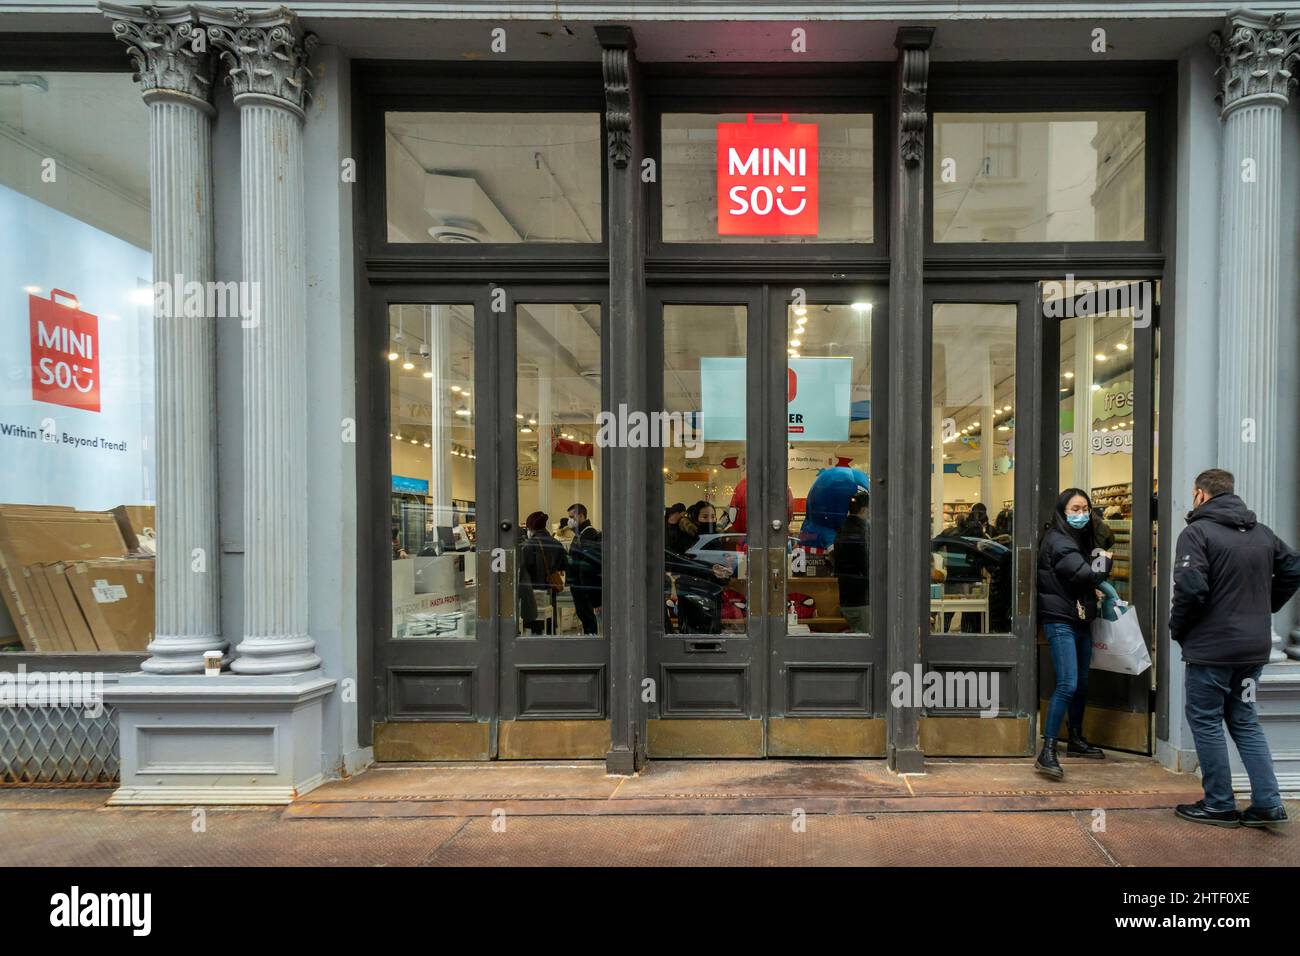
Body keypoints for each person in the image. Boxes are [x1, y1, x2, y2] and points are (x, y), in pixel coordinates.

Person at [1170, 468, 1300, 828]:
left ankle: (1218, 804)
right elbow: (1293, 567)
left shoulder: (1196, 533)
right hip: (1252, 650)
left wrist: (1179, 628)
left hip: (1212, 648)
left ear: (1200, 494)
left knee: (1206, 720)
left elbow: (1191, 588)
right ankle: (1268, 802)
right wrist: (1265, 606)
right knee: (1244, 719)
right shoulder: (1261, 533)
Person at [1035, 487, 1113, 779]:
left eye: (1085, 509)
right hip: (1061, 619)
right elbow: (1086, 575)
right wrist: (1105, 559)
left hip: (1079, 616)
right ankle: (1048, 750)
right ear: (1062, 511)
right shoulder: (1059, 541)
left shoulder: (1077, 538)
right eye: (1075, 509)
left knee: (1081, 683)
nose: (1081, 515)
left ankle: (1076, 739)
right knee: (1068, 683)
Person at [519, 511, 568, 635]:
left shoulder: (529, 545)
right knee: (549, 624)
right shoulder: (557, 543)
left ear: (531, 528)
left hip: (533, 592)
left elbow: (522, 569)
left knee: (536, 627)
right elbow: (563, 565)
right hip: (551, 591)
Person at [829, 490, 870, 632]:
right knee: (867, 645)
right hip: (862, 599)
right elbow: (867, 566)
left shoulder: (842, 529)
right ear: (864, 510)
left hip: (847, 597)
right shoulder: (863, 532)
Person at [566, 503, 602, 635]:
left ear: (581, 516)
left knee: (589, 619)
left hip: (585, 586)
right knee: (585, 617)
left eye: (572, 517)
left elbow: (590, 566)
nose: (569, 520)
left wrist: (595, 598)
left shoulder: (590, 535)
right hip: (579, 585)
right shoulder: (579, 535)